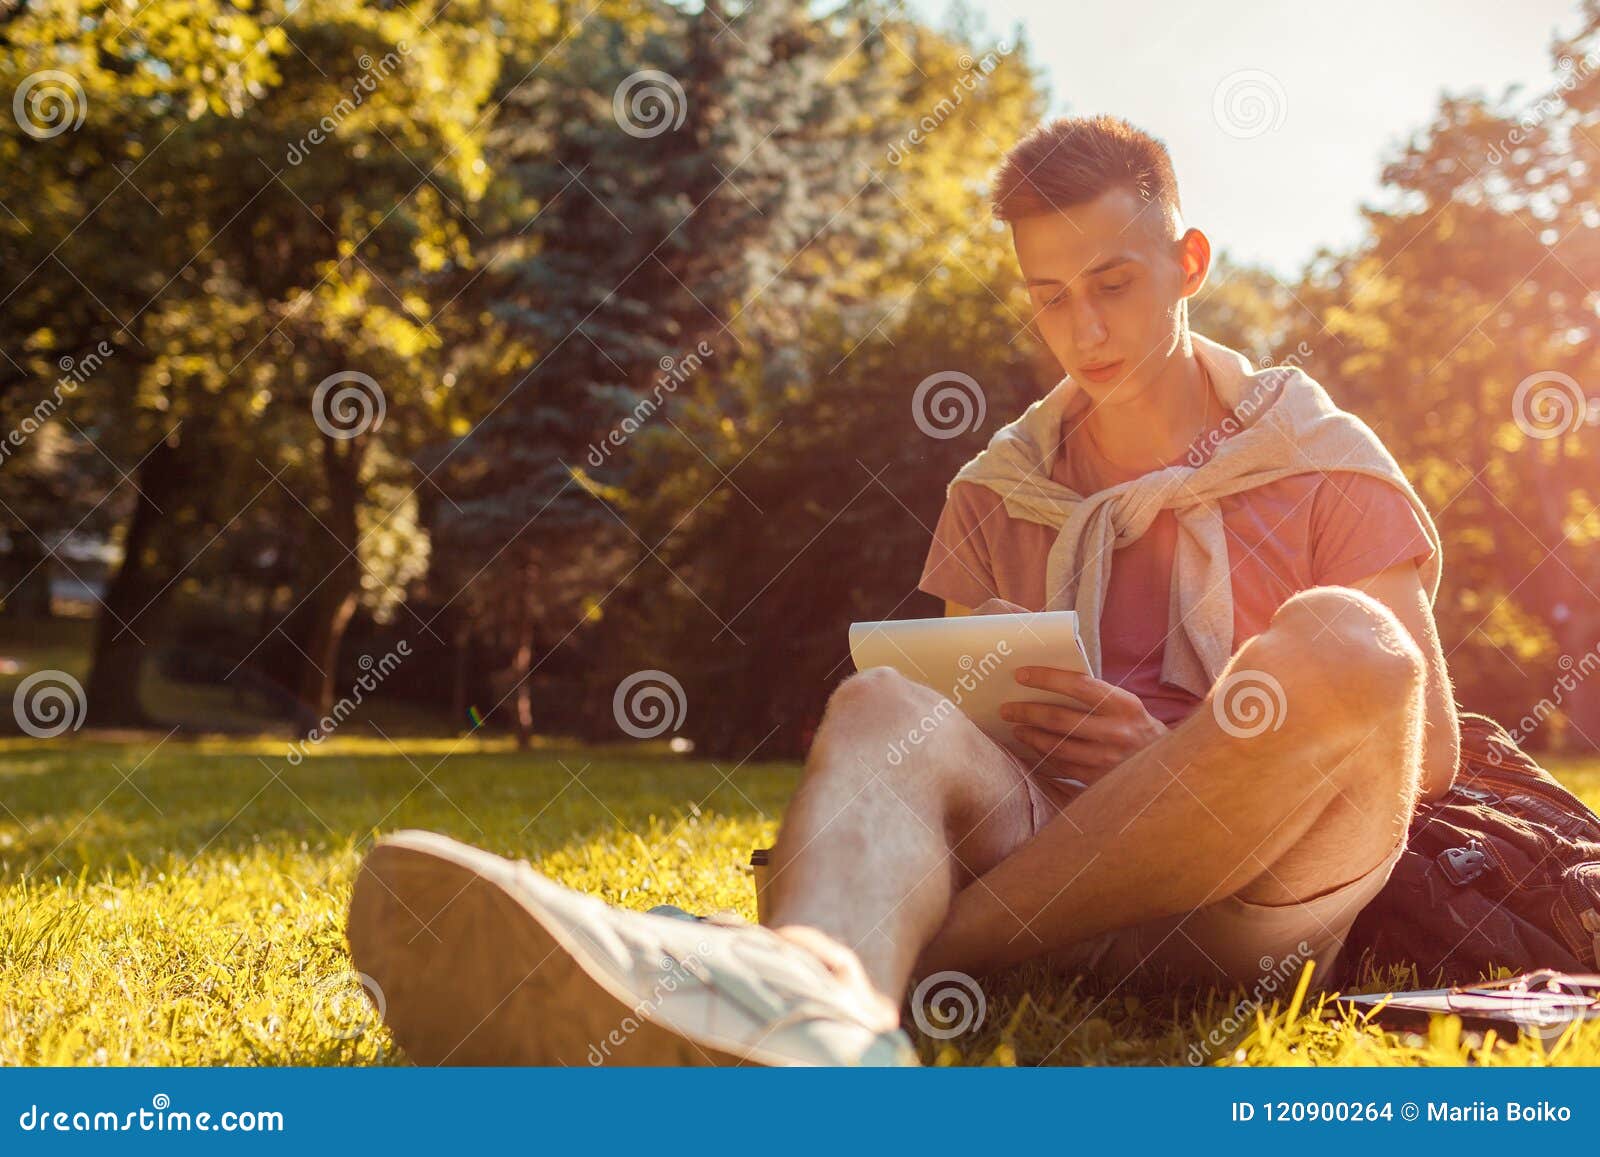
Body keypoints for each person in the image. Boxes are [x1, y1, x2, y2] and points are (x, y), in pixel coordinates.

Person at [345, 114, 1461, 1067]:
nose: (1083, 330)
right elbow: (963, 735)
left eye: (1114, 285)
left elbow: (1431, 753)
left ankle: (812, 966)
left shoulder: (1321, 457)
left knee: (1350, 642)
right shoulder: (999, 487)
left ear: (1190, 261)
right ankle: (823, 1008)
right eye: (1050, 298)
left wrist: (1173, 760)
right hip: (1047, 852)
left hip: (1251, 901)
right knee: (883, 704)